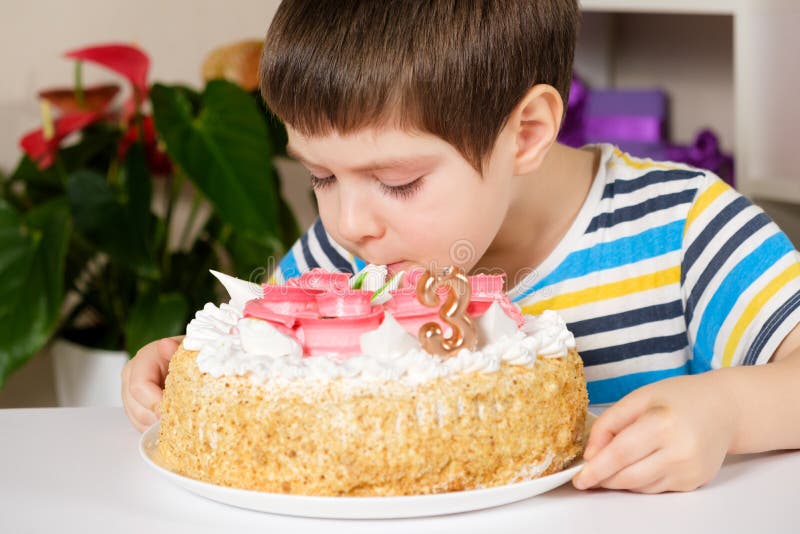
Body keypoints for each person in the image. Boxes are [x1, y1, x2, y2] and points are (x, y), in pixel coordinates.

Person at [122, 0, 800, 493]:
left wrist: (727, 412)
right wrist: (178, 370)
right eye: (320, 176)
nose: (350, 221)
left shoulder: (679, 228)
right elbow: (266, 372)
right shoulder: (350, 264)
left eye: (398, 181)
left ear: (527, 132)